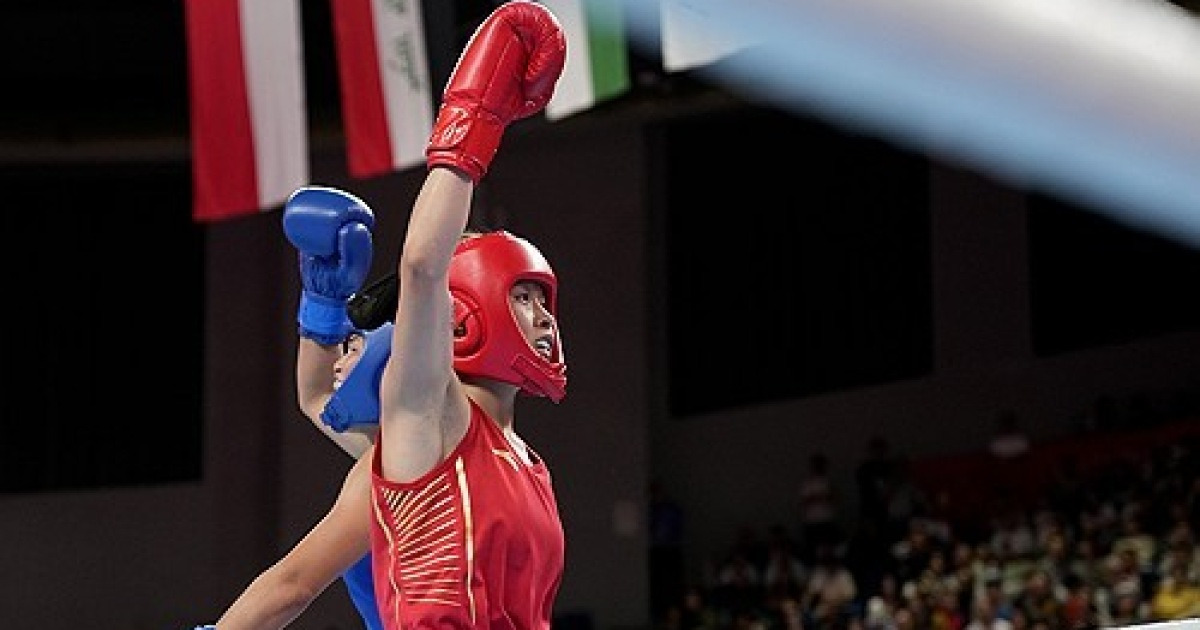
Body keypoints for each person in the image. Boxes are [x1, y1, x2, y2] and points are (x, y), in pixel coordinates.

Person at [367, 2, 568, 629]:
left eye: (542, 298)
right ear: (465, 316)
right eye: (521, 297)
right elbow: (424, 267)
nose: (543, 317)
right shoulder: (428, 416)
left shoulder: (530, 464)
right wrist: (475, 119)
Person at [194, 186, 390, 630]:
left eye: (355, 347)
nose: (340, 358)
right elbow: (316, 396)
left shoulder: (397, 470)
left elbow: (292, 586)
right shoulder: (414, 450)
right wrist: (324, 302)